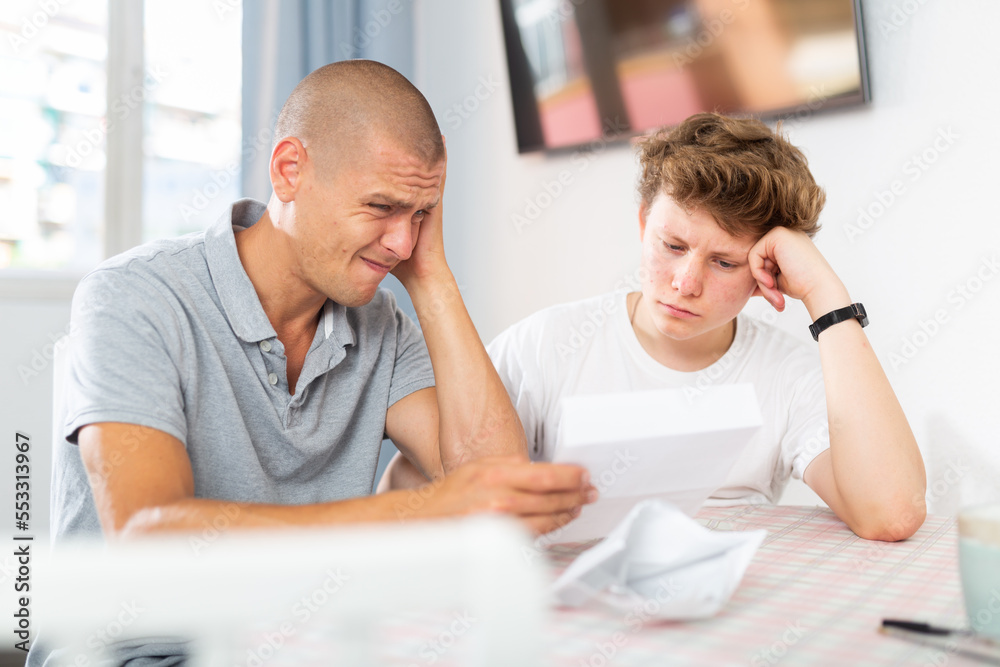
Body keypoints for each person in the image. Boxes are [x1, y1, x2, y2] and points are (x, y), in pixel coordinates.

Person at [32, 61, 595, 667]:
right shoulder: (135, 295)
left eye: (421, 214)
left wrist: (431, 278)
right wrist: (421, 511)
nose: (402, 242)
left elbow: (493, 483)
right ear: (290, 169)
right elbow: (150, 536)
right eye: (381, 205)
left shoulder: (382, 326)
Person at [393, 112, 927, 542]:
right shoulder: (546, 346)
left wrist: (824, 295)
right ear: (645, 221)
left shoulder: (787, 374)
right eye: (673, 246)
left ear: (769, 269)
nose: (685, 282)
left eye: (724, 262)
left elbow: (891, 513)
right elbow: (418, 481)